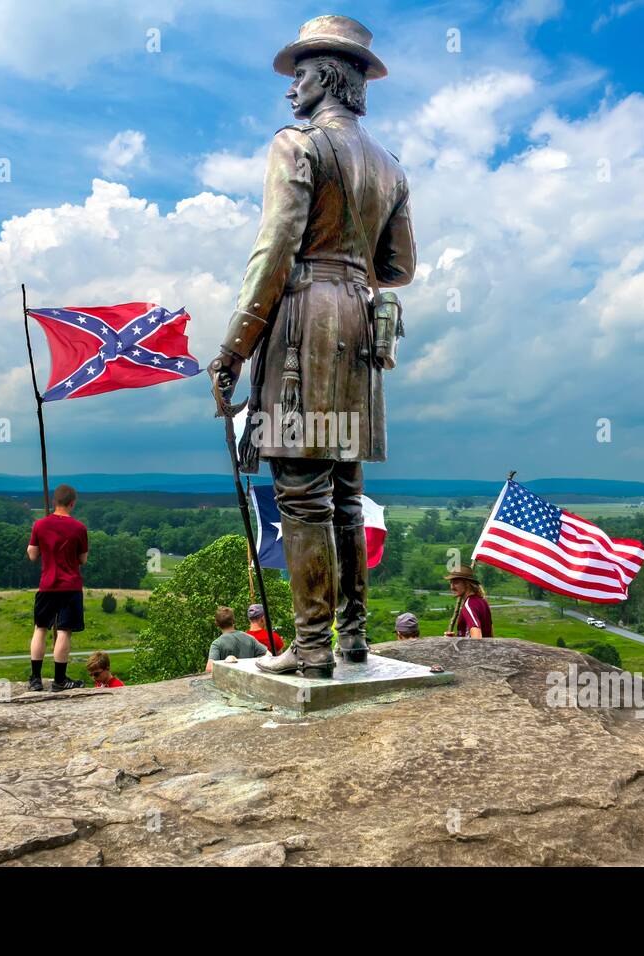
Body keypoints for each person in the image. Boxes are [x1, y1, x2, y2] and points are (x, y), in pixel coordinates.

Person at [208, 16, 415, 680]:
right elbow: (399, 266)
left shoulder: (295, 145)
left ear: (325, 77)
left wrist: (234, 347)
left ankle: (312, 646)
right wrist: (351, 266)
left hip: (303, 325)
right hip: (358, 324)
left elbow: (273, 252)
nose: (289, 89)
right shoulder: (389, 165)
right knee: (346, 494)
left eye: (296, 75)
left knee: (301, 492)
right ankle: (352, 638)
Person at [26, 483, 88, 691]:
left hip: (47, 585)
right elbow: (83, 559)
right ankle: (60, 681)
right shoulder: (79, 528)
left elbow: (33, 555)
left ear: (54, 502)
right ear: (72, 503)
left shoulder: (40, 525)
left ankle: (35, 679)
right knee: (64, 631)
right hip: (70, 586)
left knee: (40, 629)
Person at [205, 605, 268, 673]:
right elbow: (268, 656)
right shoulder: (250, 638)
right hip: (249, 680)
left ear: (217, 623)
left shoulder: (217, 644)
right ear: (233, 621)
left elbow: (210, 669)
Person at [445, 568, 493, 638]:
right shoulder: (482, 601)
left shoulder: (469, 605)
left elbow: (477, 636)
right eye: (451, 583)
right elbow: (490, 633)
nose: (452, 587)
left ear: (467, 584)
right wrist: (457, 638)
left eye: (456, 582)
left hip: (474, 649)